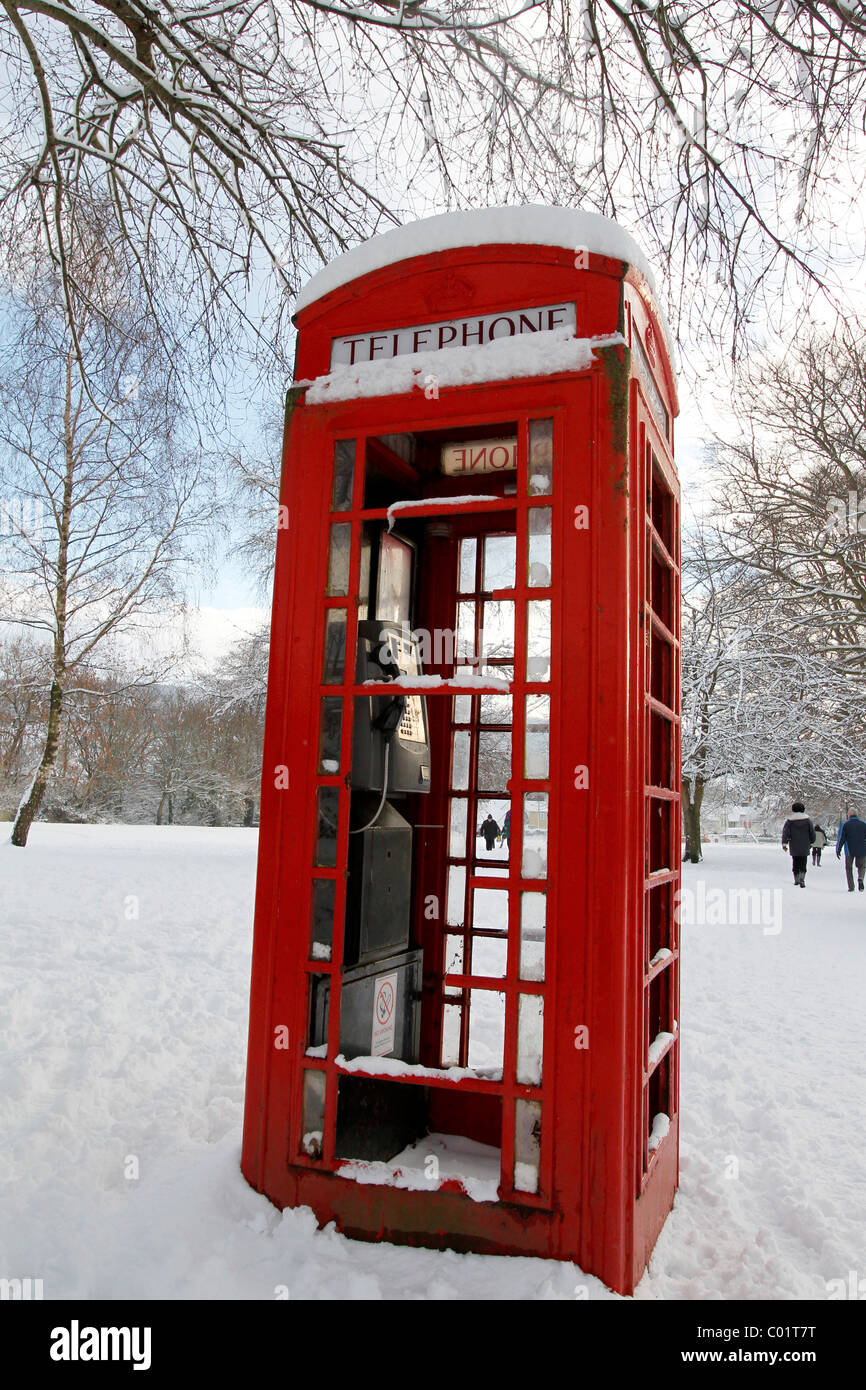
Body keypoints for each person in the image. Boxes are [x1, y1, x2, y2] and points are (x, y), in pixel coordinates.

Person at [781, 801, 815, 886]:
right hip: (805, 844)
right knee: (803, 861)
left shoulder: (789, 821)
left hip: (794, 844)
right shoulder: (807, 821)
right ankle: (802, 878)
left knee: (795, 861)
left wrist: (784, 844)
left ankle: (796, 878)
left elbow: (785, 833)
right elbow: (812, 832)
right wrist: (812, 841)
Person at [836, 810, 866, 892]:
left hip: (849, 850)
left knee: (848, 868)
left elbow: (841, 838)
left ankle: (851, 886)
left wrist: (838, 850)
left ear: (849, 815)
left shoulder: (845, 824)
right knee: (862, 866)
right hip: (862, 849)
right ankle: (861, 878)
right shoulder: (863, 824)